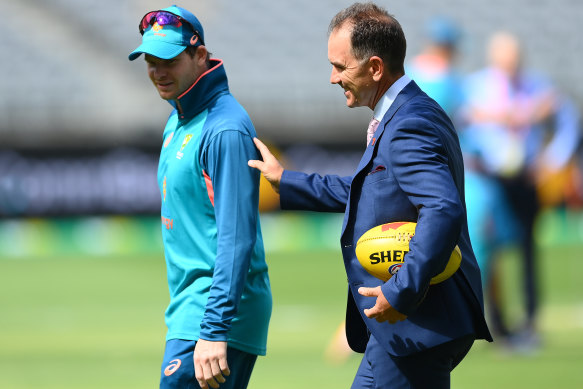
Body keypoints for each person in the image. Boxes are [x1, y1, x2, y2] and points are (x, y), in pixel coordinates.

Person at [249, 3, 492, 388]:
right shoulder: (404, 114)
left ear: (375, 68)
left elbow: (442, 208)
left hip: (417, 324)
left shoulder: (409, 123)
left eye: (340, 67)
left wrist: (401, 290)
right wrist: (286, 182)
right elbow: (371, 192)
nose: (332, 78)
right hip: (404, 330)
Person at [128, 6, 271, 389]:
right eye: (151, 61)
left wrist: (214, 330)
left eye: (170, 60)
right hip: (193, 312)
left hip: (215, 316)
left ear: (200, 55)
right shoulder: (179, 116)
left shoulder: (224, 130)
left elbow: (237, 237)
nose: (158, 71)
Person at [459, 31, 580, 351]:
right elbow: (462, 123)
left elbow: (568, 122)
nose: (511, 67)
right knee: (491, 250)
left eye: (515, 61)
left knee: (528, 248)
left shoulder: (538, 85)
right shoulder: (475, 87)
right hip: (491, 178)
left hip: (527, 177)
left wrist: (552, 161)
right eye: (504, 61)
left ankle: (530, 320)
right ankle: (497, 322)